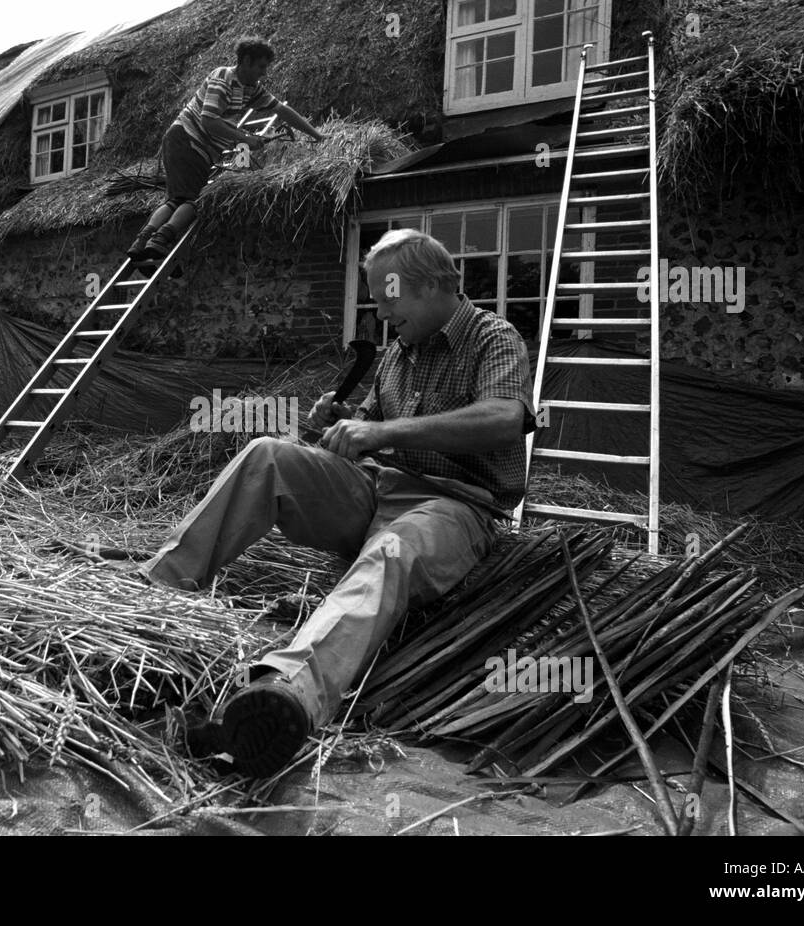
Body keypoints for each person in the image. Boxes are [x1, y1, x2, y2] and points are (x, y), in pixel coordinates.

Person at [139, 229, 537, 777]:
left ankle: (287, 695)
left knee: (390, 551)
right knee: (267, 455)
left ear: (432, 286)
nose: (378, 309)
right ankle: (156, 588)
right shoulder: (398, 353)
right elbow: (374, 428)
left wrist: (382, 431)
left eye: (387, 295)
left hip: (457, 505)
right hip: (378, 488)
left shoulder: (493, 338)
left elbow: (504, 419)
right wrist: (340, 424)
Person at [126, 36, 325, 262]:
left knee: (175, 200)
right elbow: (209, 120)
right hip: (187, 140)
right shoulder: (223, 78)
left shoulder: (251, 89)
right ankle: (160, 240)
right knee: (196, 202)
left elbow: (281, 110)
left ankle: (141, 241)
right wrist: (246, 139)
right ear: (246, 61)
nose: (264, 73)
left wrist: (316, 134)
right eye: (261, 67)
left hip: (190, 145)